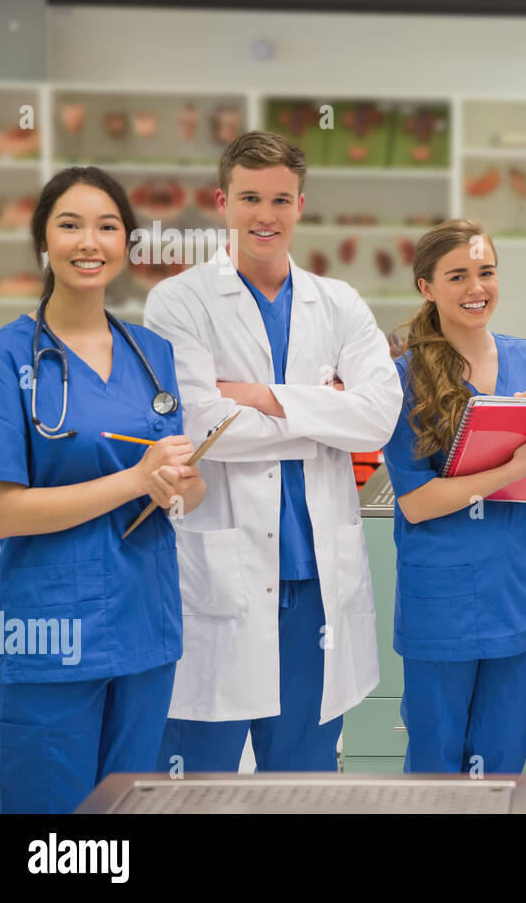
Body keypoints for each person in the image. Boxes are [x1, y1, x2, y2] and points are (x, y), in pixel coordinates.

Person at [144, 131, 402, 773]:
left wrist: (259, 395)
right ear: (221, 201)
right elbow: (205, 426)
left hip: (315, 580)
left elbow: (379, 417)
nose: (266, 215)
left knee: (303, 779)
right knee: (197, 779)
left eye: (281, 199)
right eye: (250, 198)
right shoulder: (178, 302)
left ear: (300, 204)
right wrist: (323, 407)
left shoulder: (338, 302)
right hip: (217, 576)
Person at [0, 167, 204, 812]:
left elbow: (187, 492)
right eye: (70, 225)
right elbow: (2, 515)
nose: (89, 242)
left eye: (107, 227)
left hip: (145, 625)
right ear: (43, 242)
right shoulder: (4, 359)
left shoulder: (151, 353)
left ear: (127, 243)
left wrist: (179, 485)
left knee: (123, 820)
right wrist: (134, 479)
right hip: (51, 630)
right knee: (52, 832)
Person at [382, 220, 526, 774]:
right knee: (437, 762)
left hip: (518, 587)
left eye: (486, 273)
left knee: (504, 760)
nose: (476, 288)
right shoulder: (404, 376)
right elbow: (415, 502)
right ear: (426, 287)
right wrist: (513, 464)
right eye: (457, 276)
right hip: (443, 600)